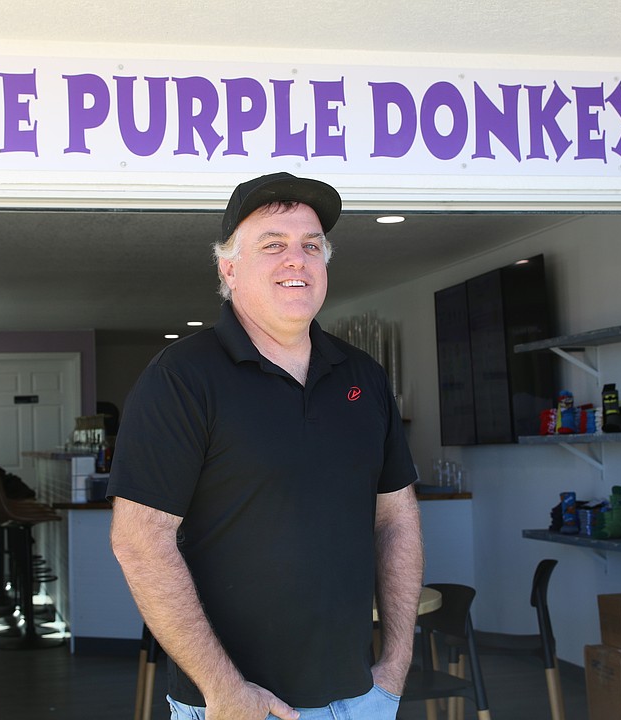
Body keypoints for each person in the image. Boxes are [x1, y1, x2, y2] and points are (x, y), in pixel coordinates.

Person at [108, 172, 423, 720]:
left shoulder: (363, 377)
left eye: (311, 246)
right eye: (273, 245)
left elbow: (396, 517)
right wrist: (223, 689)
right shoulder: (182, 378)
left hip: (358, 698)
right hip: (235, 706)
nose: (296, 260)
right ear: (228, 268)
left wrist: (393, 668)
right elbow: (140, 541)